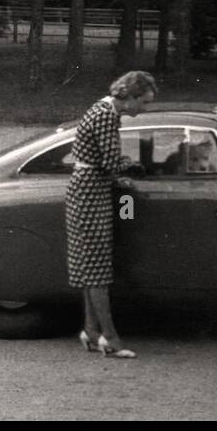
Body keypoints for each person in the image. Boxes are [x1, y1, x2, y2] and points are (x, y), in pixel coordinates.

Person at [67, 70, 156, 359]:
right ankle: (110, 338)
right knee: (97, 271)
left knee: (90, 268)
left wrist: (119, 171)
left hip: (87, 189)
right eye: (142, 102)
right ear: (128, 97)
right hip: (91, 192)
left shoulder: (103, 108)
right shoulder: (107, 116)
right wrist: (129, 169)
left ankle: (91, 332)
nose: (143, 110)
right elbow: (109, 163)